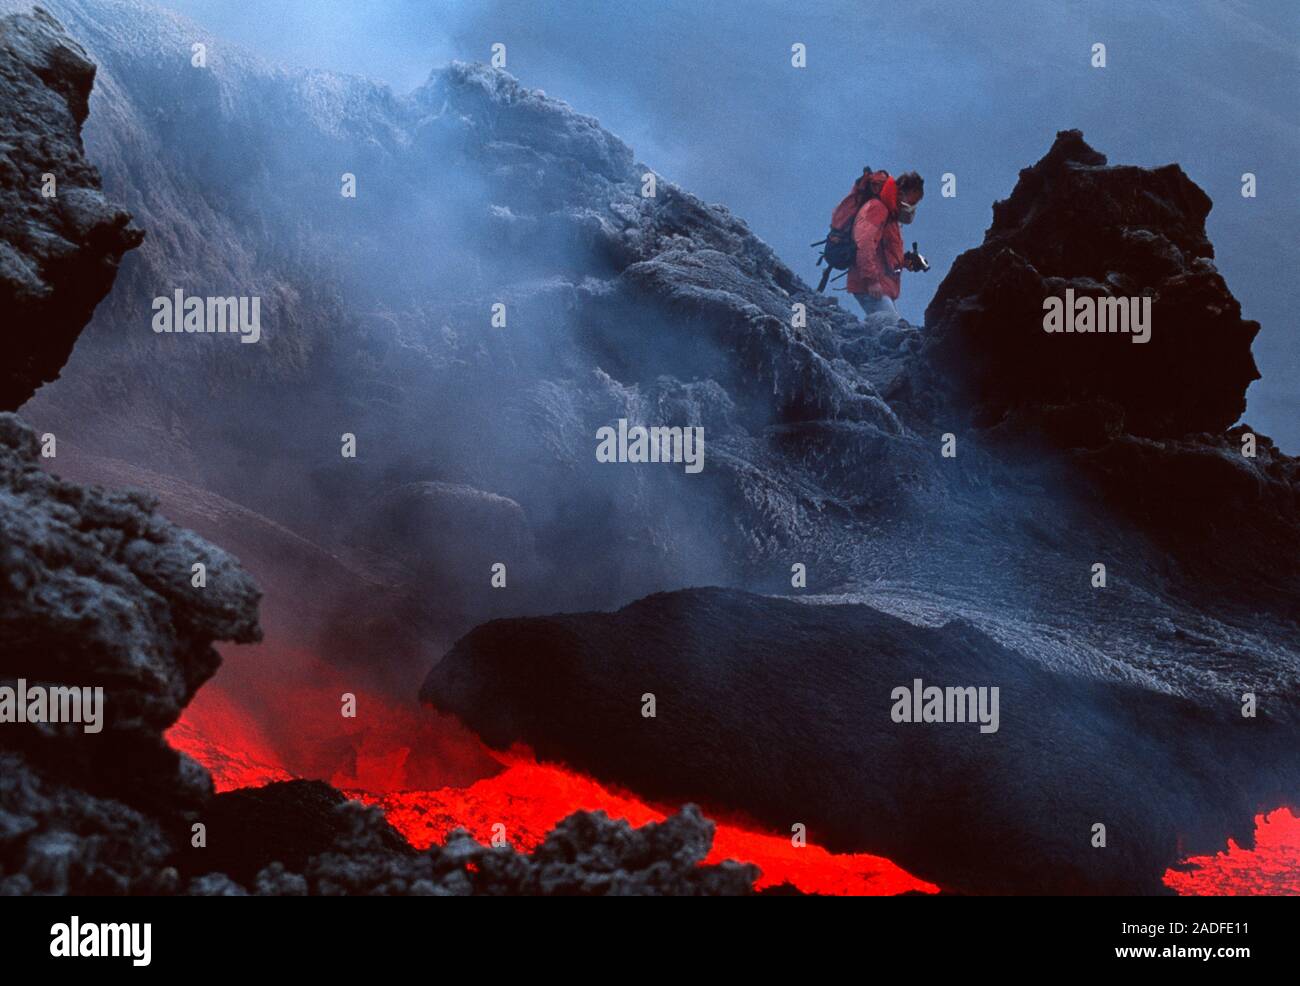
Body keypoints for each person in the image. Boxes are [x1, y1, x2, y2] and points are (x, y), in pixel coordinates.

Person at [847, 171, 925, 319]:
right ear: (901, 194)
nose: (912, 208)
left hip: (881, 284)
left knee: (892, 330)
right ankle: (848, 335)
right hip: (870, 285)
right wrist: (871, 281)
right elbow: (864, 243)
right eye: (912, 202)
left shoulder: (890, 213)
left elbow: (883, 251)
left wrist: (905, 261)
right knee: (891, 326)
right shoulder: (877, 208)